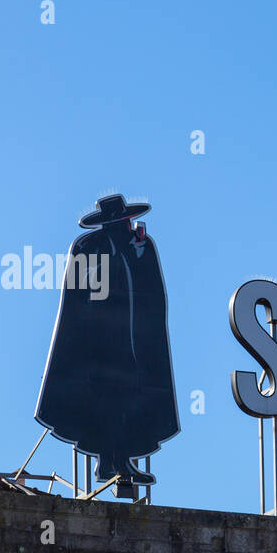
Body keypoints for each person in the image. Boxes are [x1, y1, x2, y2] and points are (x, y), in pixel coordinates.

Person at [35, 194, 180, 487]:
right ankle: (108, 461)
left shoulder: (140, 246)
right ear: (110, 224)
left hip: (136, 341)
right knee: (104, 400)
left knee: (132, 397)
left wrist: (139, 255)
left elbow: (152, 293)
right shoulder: (88, 246)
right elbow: (79, 294)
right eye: (121, 222)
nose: (127, 226)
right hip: (99, 343)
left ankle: (123, 459)